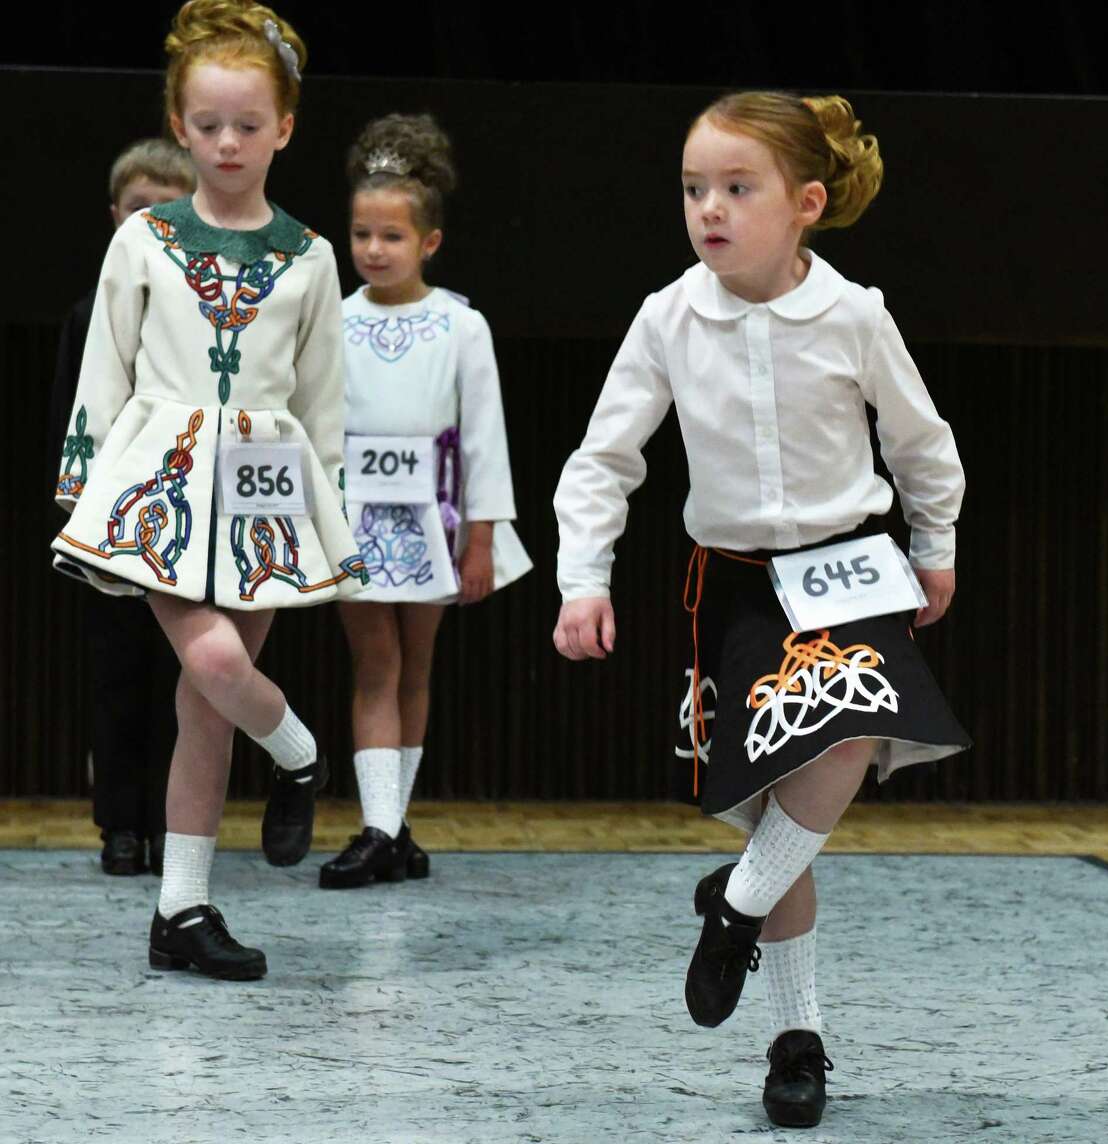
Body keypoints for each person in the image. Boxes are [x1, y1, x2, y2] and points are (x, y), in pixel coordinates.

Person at [552, 91, 969, 1129]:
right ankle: (798, 1042)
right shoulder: (668, 316)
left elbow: (922, 441)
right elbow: (604, 459)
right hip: (736, 583)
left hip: (851, 570)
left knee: (851, 729)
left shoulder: (856, 314)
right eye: (696, 188)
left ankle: (731, 905)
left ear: (806, 203)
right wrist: (581, 577)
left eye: (738, 188)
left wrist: (937, 546)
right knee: (777, 805)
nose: (711, 208)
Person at [50, 0, 366, 979]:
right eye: (208, 125)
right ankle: (306, 755)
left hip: (269, 488)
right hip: (161, 477)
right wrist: (83, 478)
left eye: (248, 124)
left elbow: (323, 399)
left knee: (205, 704)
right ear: (179, 125)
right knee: (219, 660)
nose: (228, 143)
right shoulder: (143, 240)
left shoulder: (312, 258)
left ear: (286, 126)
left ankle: (181, 910)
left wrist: (334, 510)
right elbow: (107, 363)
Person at [321, 112, 531, 890]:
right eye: (362, 235)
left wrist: (481, 536)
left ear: (430, 242)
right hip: (357, 518)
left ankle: (392, 825)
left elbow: (484, 437)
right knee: (374, 662)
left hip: (434, 521)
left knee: (416, 665)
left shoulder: (459, 325)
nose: (374, 250)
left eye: (392, 237)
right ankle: (381, 828)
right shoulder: (334, 321)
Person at [48, 138, 196, 878]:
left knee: (186, 678)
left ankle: (176, 825)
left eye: (171, 209)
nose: (154, 222)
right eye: (142, 208)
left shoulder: (207, 323)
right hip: (110, 524)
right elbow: (71, 420)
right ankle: (120, 826)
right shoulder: (87, 314)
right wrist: (76, 512)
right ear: (115, 216)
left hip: (184, 525)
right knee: (117, 676)